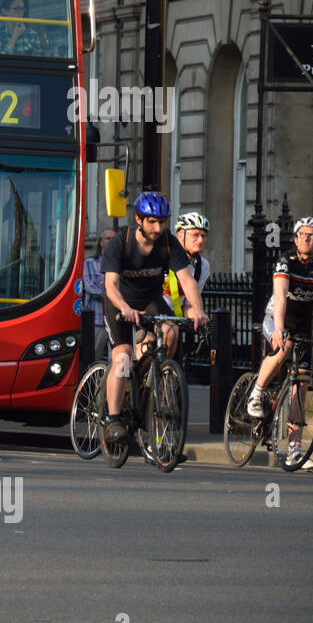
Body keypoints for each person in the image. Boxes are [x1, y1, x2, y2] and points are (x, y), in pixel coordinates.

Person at [100, 191, 209, 448]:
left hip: (149, 299)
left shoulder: (168, 243)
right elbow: (111, 285)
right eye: (151, 221)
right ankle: (113, 420)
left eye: (162, 222)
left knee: (171, 330)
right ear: (139, 219)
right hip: (120, 302)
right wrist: (125, 308)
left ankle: (155, 375)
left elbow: (186, 279)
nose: (157, 227)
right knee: (123, 356)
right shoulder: (120, 242)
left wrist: (199, 310)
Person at [246, 216, 313, 469]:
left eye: (311, 235)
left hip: (302, 326)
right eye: (301, 234)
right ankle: (256, 394)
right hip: (275, 318)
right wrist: (278, 329)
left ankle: (294, 451)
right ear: (294, 238)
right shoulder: (285, 261)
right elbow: (280, 298)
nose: (306, 238)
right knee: (285, 347)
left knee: (299, 389)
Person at [82, 226, 117, 360]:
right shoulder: (91, 263)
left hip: (115, 318)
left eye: (114, 239)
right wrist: (113, 294)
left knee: (117, 358)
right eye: (108, 238)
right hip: (98, 319)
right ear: (101, 242)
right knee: (94, 357)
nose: (111, 241)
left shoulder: (119, 263)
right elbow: (90, 287)